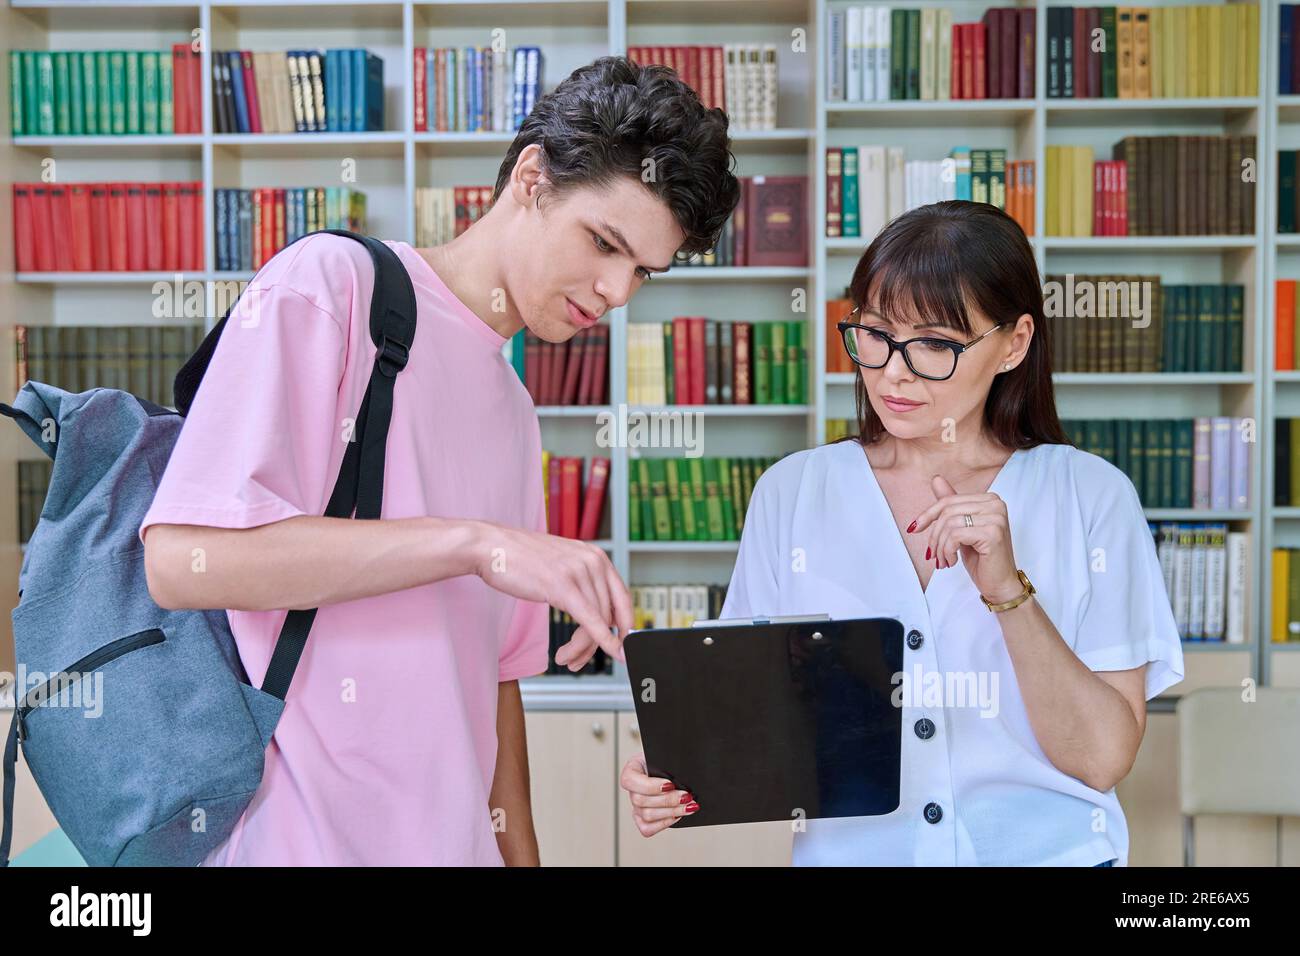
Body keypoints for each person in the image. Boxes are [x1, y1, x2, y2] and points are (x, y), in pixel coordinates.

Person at [139, 56, 740, 865]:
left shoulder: (515, 412)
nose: (615, 291)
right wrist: (474, 544)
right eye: (604, 243)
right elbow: (181, 562)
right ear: (532, 178)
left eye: (642, 271)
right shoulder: (333, 288)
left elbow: (496, 688)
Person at [620, 200, 1185, 866]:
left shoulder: (1091, 497)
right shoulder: (794, 494)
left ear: (1015, 342)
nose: (893, 371)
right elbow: (745, 724)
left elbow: (1101, 759)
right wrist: (675, 776)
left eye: (936, 345)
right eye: (875, 333)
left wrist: (1008, 591)